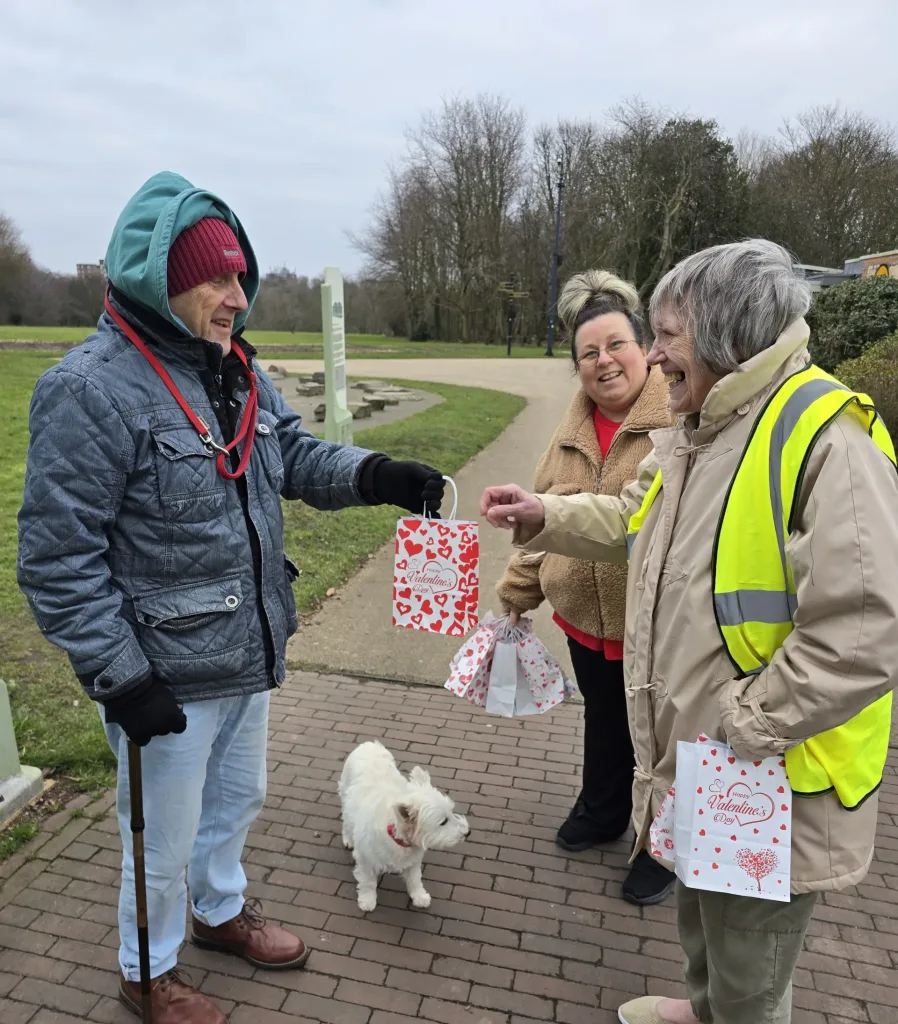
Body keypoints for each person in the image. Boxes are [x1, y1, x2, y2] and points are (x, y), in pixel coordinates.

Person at [17, 171, 446, 1024]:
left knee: (237, 801)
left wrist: (375, 475)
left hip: (245, 653)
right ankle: (145, 971)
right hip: (161, 676)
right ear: (158, 280)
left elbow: (288, 453)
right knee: (162, 839)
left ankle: (218, 914)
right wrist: (120, 678)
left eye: (239, 277)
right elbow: (56, 558)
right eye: (217, 278)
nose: (235, 296)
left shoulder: (235, 370)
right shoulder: (90, 388)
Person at [480, 239, 898, 1024]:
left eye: (666, 333)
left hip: (774, 764)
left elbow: (868, 628)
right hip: (715, 755)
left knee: (754, 961)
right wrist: (546, 516)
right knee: (706, 910)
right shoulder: (703, 426)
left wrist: (744, 723)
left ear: (725, 332)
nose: (653, 352)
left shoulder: (823, 437)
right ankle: (705, 1007)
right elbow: (636, 523)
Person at [495, 270, 674, 904]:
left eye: (617, 344)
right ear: (577, 368)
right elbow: (541, 514)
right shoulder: (569, 431)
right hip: (583, 619)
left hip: (649, 622)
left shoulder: (677, 423)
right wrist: (518, 596)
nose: (605, 362)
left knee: (659, 736)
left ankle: (661, 847)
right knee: (603, 720)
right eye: (589, 353)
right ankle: (602, 813)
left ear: (645, 346)